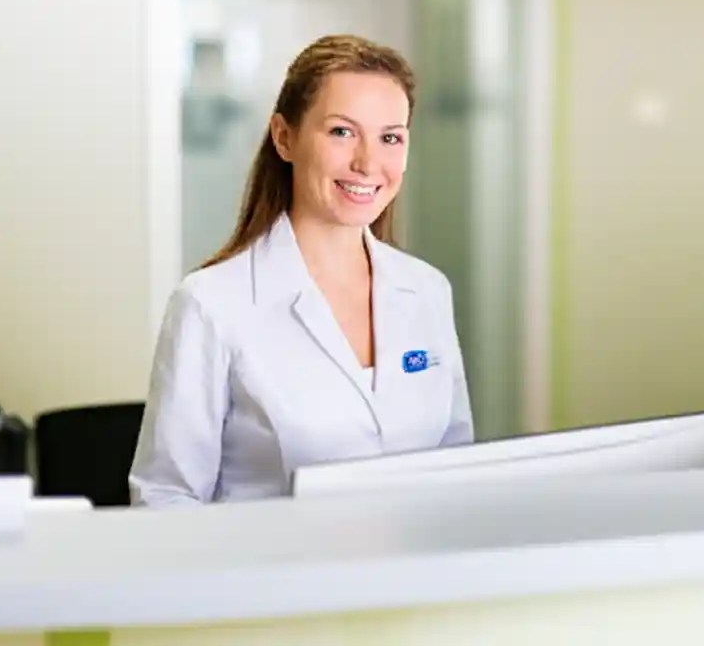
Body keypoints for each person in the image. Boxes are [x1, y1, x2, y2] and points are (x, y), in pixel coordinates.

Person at [130, 35, 473, 505]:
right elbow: (165, 498)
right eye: (341, 132)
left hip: (410, 575)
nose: (368, 162)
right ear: (284, 137)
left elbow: (458, 476)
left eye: (390, 137)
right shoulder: (211, 305)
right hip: (269, 576)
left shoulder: (427, 291)